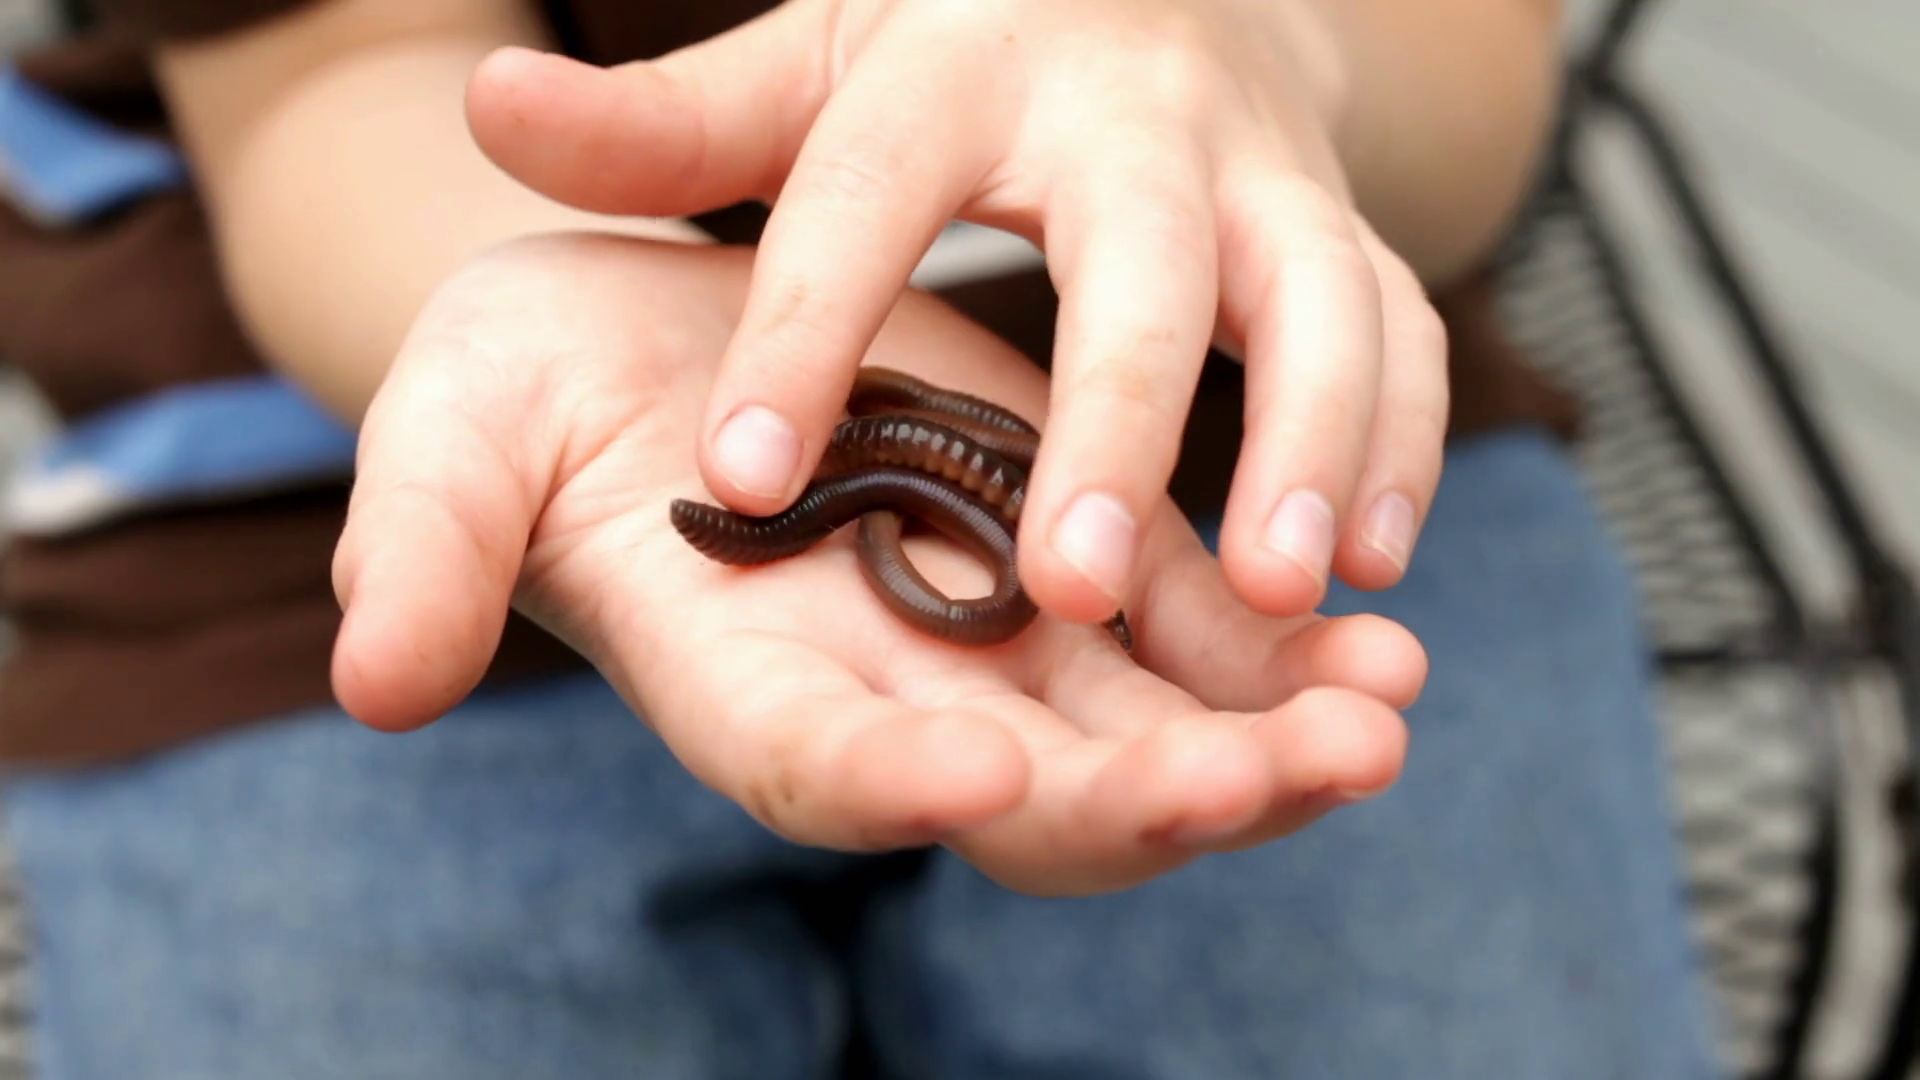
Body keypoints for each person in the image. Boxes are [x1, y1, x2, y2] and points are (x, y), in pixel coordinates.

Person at [0, 0, 1722, 1076]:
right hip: (317, 476)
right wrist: (545, 287)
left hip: (1257, 437)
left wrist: (1265, 51)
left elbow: (1465, 52)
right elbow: (338, 65)